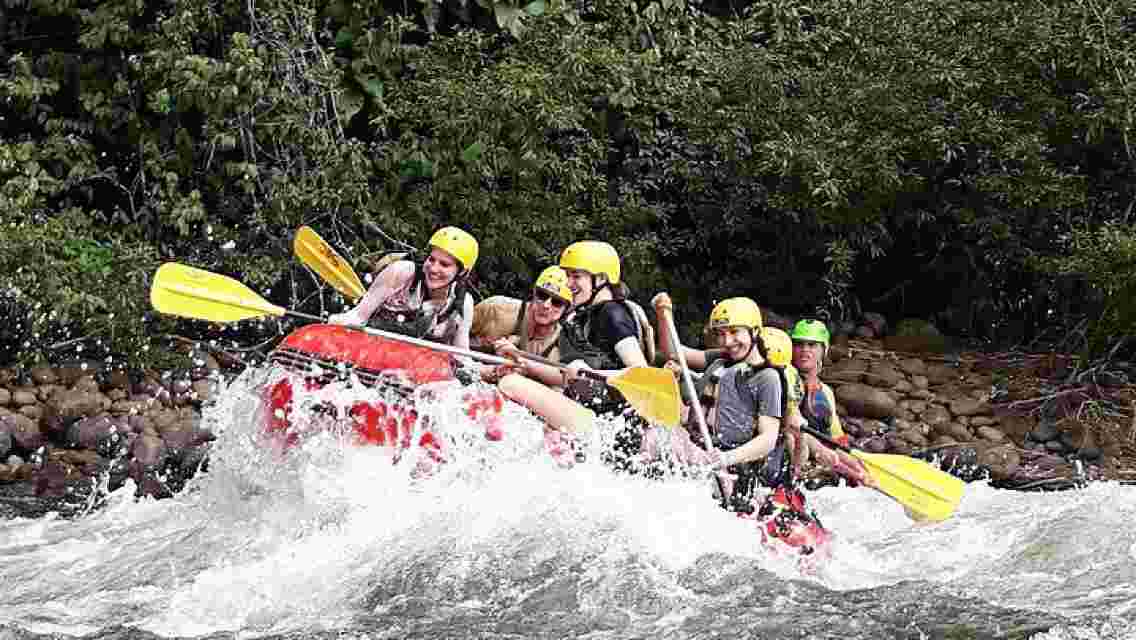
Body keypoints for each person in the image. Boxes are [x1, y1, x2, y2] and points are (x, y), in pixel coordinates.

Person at [555, 241, 657, 467]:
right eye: (567, 276)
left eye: (576, 277)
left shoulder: (612, 314)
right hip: (601, 420)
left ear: (600, 279)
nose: (568, 284)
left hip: (619, 427)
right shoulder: (587, 315)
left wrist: (588, 372)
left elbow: (641, 374)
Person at [328, 226, 478, 349]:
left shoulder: (464, 303)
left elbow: (461, 354)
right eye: (431, 259)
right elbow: (358, 316)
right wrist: (338, 322)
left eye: (444, 264)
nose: (433, 268)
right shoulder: (401, 272)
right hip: (371, 344)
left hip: (412, 363)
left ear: (462, 271)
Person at [471, 266, 574, 388]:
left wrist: (520, 359)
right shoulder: (496, 309)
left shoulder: (562, 344)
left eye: (557, 302)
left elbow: (561, 388)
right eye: (542, 295)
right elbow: (452, 337)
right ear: (533, 294)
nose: (546, 305)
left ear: (567, 310)